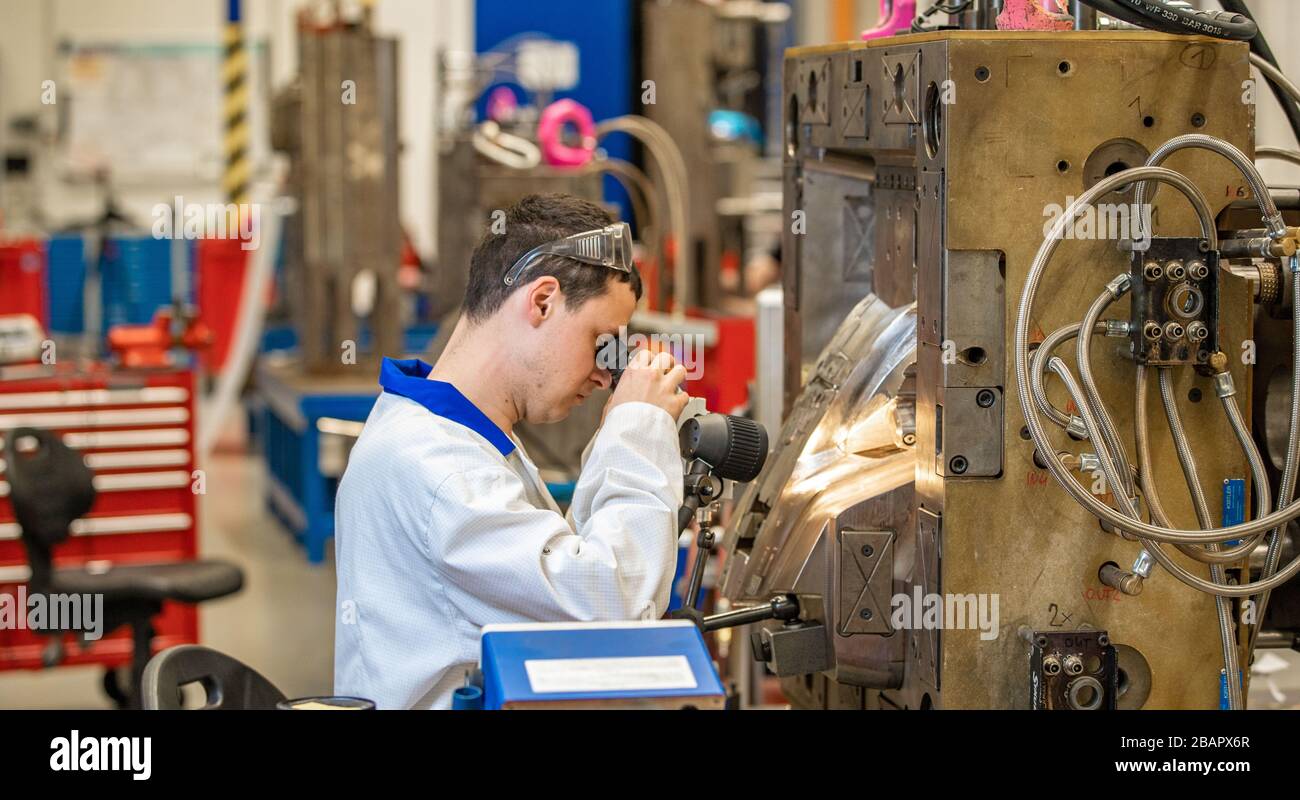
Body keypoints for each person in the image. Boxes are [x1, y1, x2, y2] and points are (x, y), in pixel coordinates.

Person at [333, 194, 689, 709]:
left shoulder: (456, 436)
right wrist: (639, 429)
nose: (603, 372)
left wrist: (620, 438)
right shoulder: (435, 467)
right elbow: (613, 611)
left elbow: (564, 571)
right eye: (600, 340)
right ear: (542, 301)